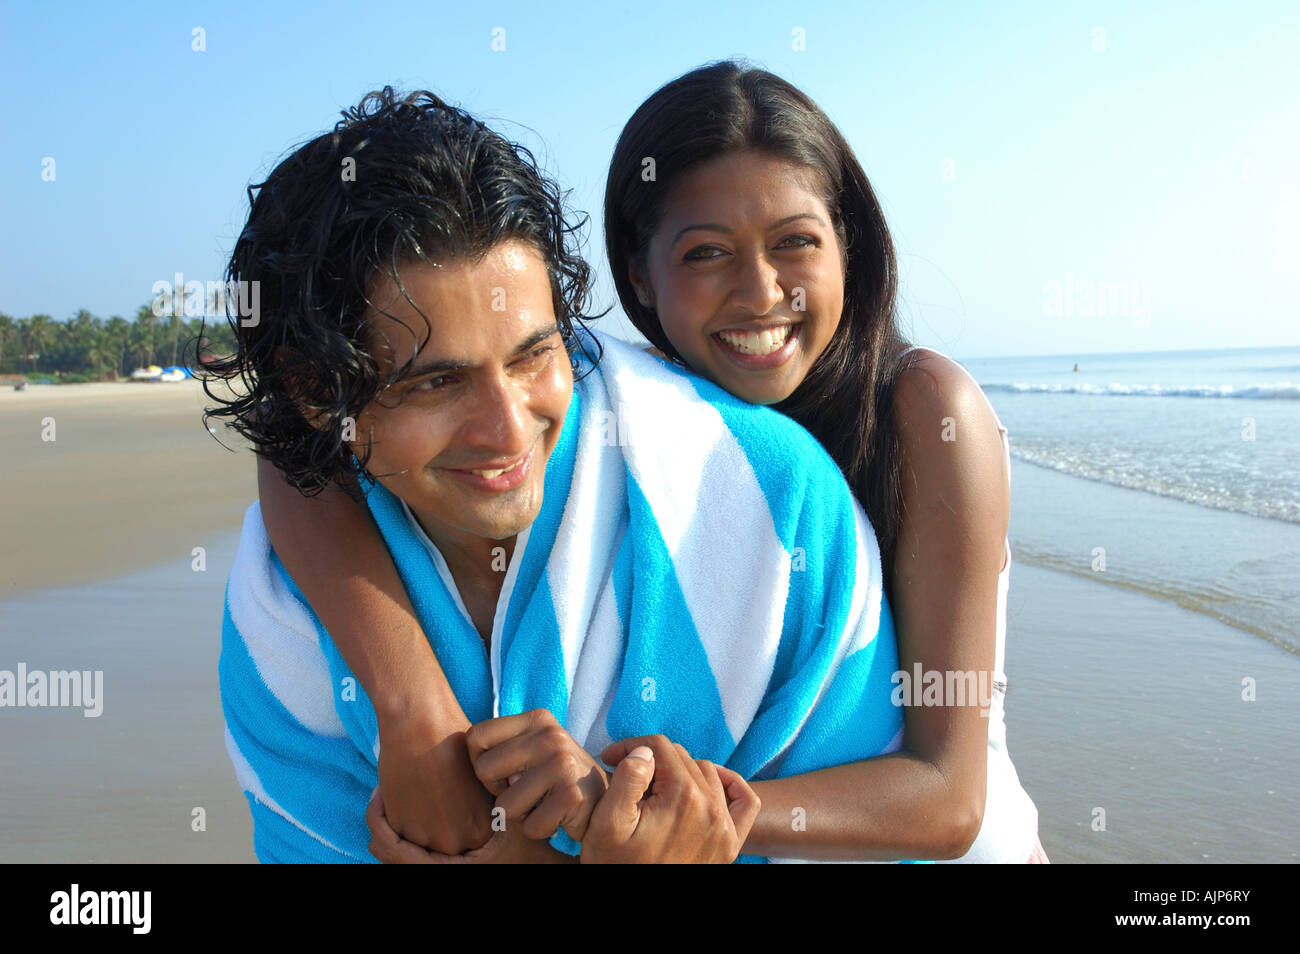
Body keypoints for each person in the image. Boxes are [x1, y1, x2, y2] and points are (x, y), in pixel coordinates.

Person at [263, 63, 1045, 863]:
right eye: (707, 254)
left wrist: (663, 813)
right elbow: (299, 463)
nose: (760, 292)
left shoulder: (925, 410)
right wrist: (416, 711)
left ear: (848, 242)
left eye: (797, 242)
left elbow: (949, 800)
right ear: (639, 273)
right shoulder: (632, 405)